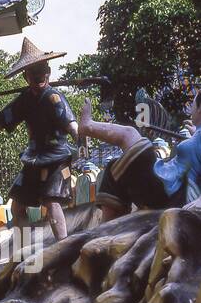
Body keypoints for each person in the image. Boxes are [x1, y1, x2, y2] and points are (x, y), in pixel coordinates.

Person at [0, 37, 77, 243]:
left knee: (51, 201)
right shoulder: (23, 101)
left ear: (48, 72)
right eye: (33, 72)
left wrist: (82, 143)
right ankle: (27, 252)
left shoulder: (54, 98)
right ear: (25, 76)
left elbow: (73, 127)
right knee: (17, 207)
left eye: (42, 70)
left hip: (59, 159)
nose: (39, 75)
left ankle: (64, 247)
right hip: (34, 159)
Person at [78, 91, 201, 220]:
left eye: (193, 104)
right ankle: (107, 227)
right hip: (171, 185)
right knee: (114, 166)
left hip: (173, 192)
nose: (190, 109)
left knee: (129, 134)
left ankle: (88, 126)